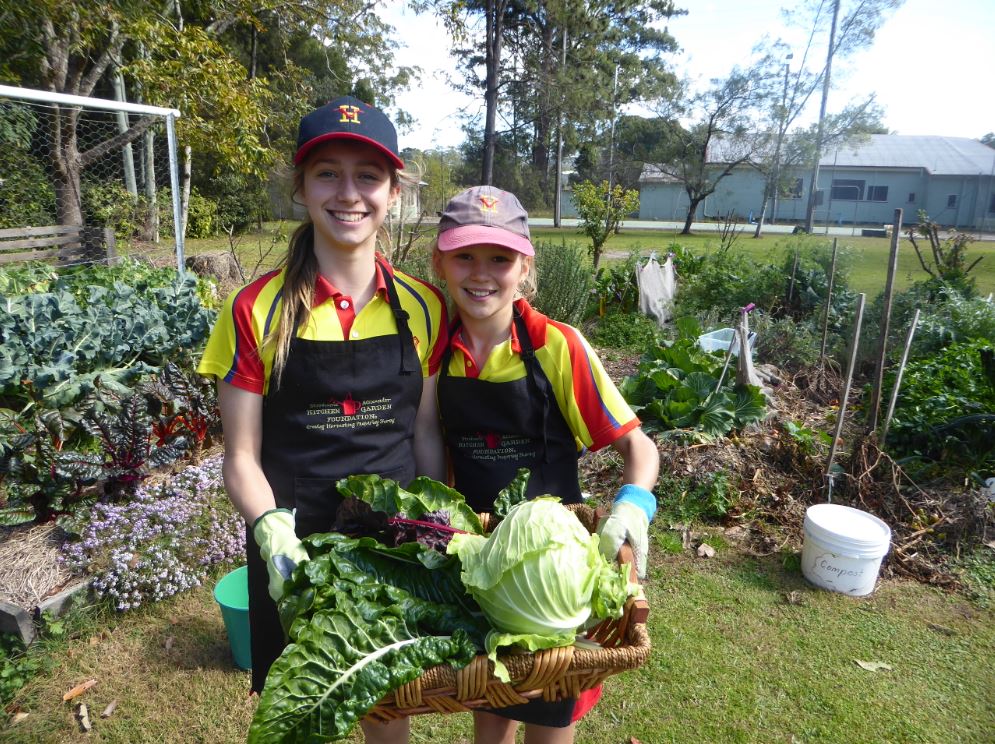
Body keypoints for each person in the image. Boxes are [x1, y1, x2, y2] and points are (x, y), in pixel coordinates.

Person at [197, 96, 448, 743]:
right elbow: (241, 457)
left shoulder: (425, 307)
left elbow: (423, 433)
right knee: (298, 716)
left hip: (394, 545)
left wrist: (441, 523)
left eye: (367, 175)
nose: (348, 193)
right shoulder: (255, 310)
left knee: (387, 708)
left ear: (393, 191)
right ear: (301, 187)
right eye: (327, 173)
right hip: (293, 549)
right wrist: (271, 534)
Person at [432, 186, 660, 744]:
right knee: (491, 716)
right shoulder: (434, 348)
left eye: (500, 259)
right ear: (440, 262)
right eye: (464, 256)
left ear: (524, 267)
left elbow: (639, 447)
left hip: (553, 571)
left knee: (551, 720)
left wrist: (633, 506)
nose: (481, 274)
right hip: (481, 563)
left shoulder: (555, 345)